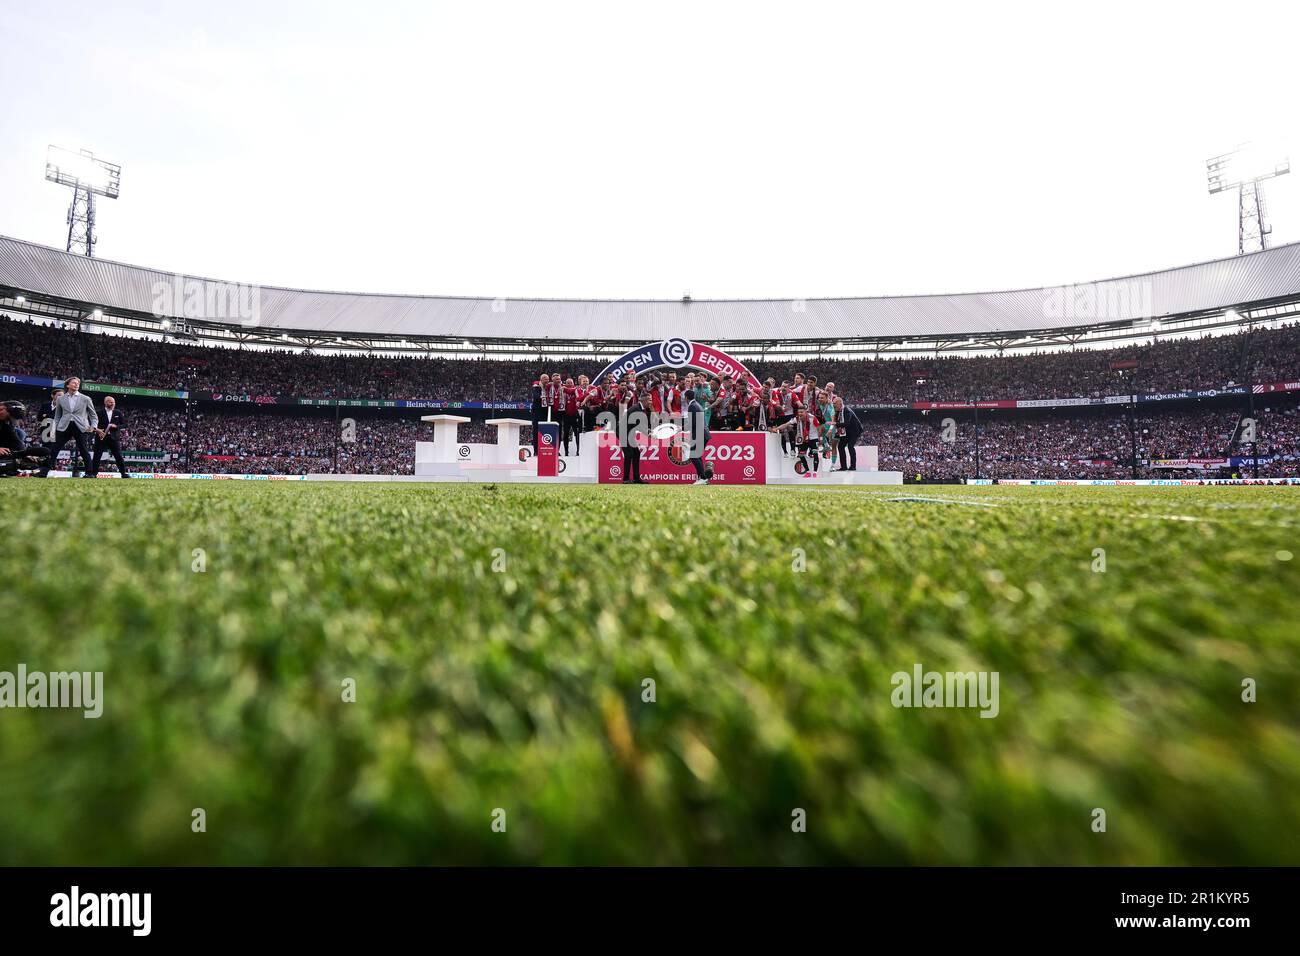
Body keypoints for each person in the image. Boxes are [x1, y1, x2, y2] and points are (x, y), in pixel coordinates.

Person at [41, 376, 97, 477]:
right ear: (67, 385)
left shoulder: (86, 398)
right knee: (54, 448)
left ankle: (89, 473)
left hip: (81, 427)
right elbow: (58, 416)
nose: (76, 384)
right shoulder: (61, 399)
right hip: (64, 426)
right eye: (74, 383)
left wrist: (93, 426)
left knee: (84, 450)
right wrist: (55, 427)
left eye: (77, 383)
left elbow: (93, 415)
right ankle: (45, 471)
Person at [0, 401, 52, 476]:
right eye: (10, 416)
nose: (9, 419)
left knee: (19, 434)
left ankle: (9, 468)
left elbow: (15, 441)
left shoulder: (6, 423)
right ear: (2, 409)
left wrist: (24, 454)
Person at [770, 407, 822, 477]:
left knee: (815, 454)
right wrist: (776, 428)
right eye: (799, 412)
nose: (800, 414)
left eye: (801, 412)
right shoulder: (797, 418)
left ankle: (815, 472)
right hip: (804, 439)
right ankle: (808, 471)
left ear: (805, 412)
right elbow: (786, 424)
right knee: (801, 455)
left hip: (813, 438)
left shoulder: (812, 418)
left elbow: (819, 428)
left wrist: (820, 439)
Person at [91, 395, 132, 477]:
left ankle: (123, 473)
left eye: (114, 402)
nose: (113, 403)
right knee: (97, 456)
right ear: (105, 403)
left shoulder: (118, 412)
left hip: (114, 438)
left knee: (118, 456)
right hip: (101, 437)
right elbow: (93, 425)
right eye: (110, 402)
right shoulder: (99, 412)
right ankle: (93, 473)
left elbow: (125, 425)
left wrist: (116, 426)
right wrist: (98, 430)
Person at [683, 388, 713, 485]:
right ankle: (702, 478)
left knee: (694, 455)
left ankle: (703, 478)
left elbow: (693, 422)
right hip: (703, 433)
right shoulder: (697, 405)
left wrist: (682, 428)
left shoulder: (692, 406)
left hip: (700, 434)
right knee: (697, 456)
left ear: (686, 398)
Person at [833, 396, 863, 471]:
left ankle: (853, 466)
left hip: (854, 431)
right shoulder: (837, 411)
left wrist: (835, 424)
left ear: (840, 404)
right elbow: (838, 422)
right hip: (846, 431)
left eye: (835, 403)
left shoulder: (847, 411)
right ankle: (844, 467)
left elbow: (846, 423)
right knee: (840, 446)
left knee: (850, 446)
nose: (833, 405)